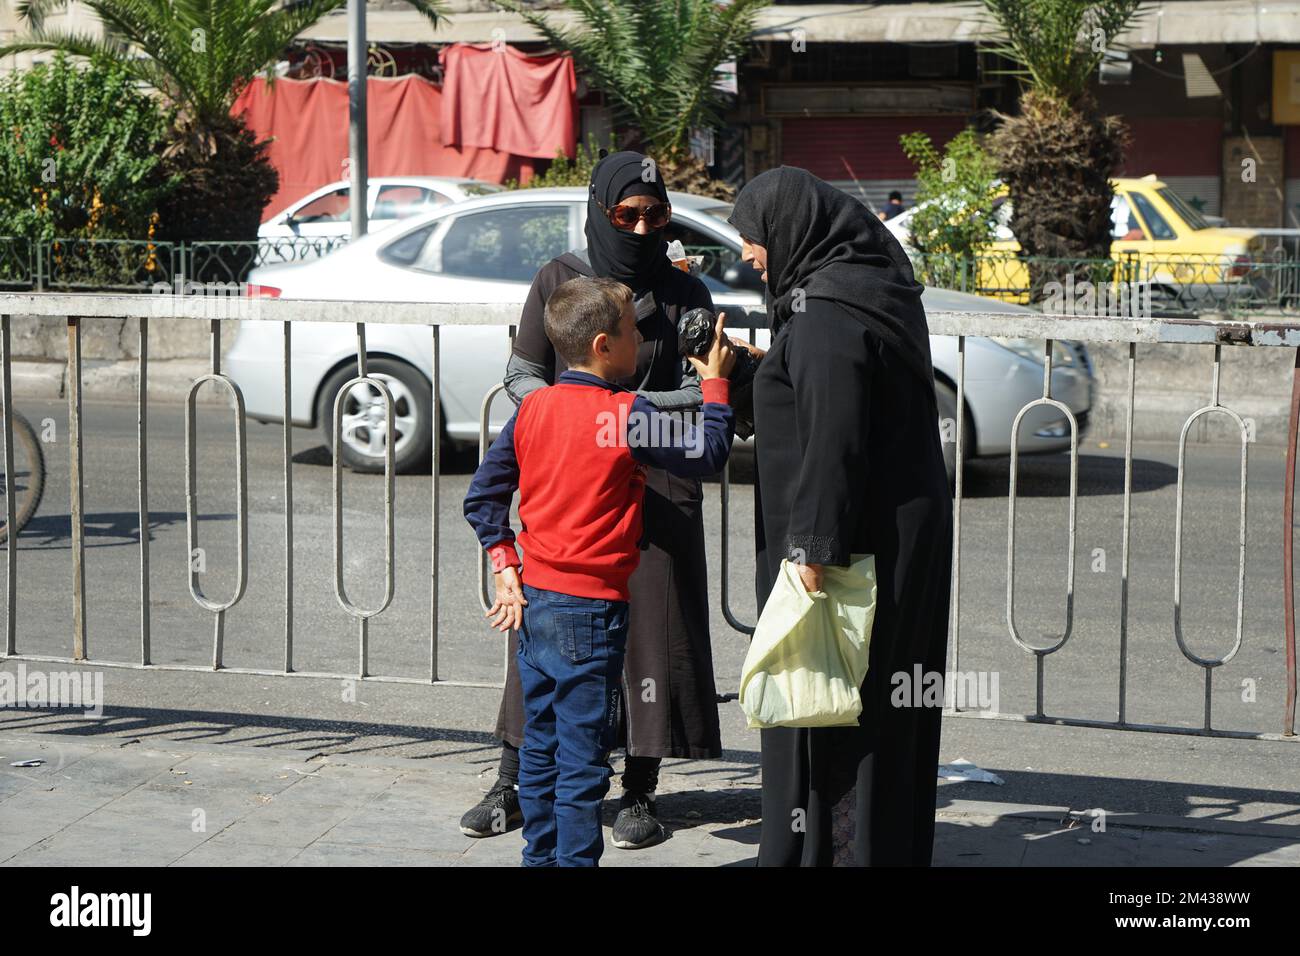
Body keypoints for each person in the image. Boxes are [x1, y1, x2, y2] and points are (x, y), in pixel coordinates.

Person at [459, 149, 730, 850]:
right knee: (548, 644)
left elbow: (703, 394)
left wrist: (616, 414)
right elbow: (524, 373)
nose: (642, 228)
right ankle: (512, 779)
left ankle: (640, 787)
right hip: (572, 480)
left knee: (653, 637)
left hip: (659, 481)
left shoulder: (683, 291)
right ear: (601, 211)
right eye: (626, 214)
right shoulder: (560, 278)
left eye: (657, 214)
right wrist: (582, 422)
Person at [728, 166, 953, 866]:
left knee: (837, 702)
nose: (746, 254)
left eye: (753, 237)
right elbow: (832, 402)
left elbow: (835, 440)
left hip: (851, 544)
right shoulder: (858, 292)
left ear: (791, 230)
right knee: (882, 699)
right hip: (893, 531)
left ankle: (835, 852)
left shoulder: (827, 317)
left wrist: (811, 549)